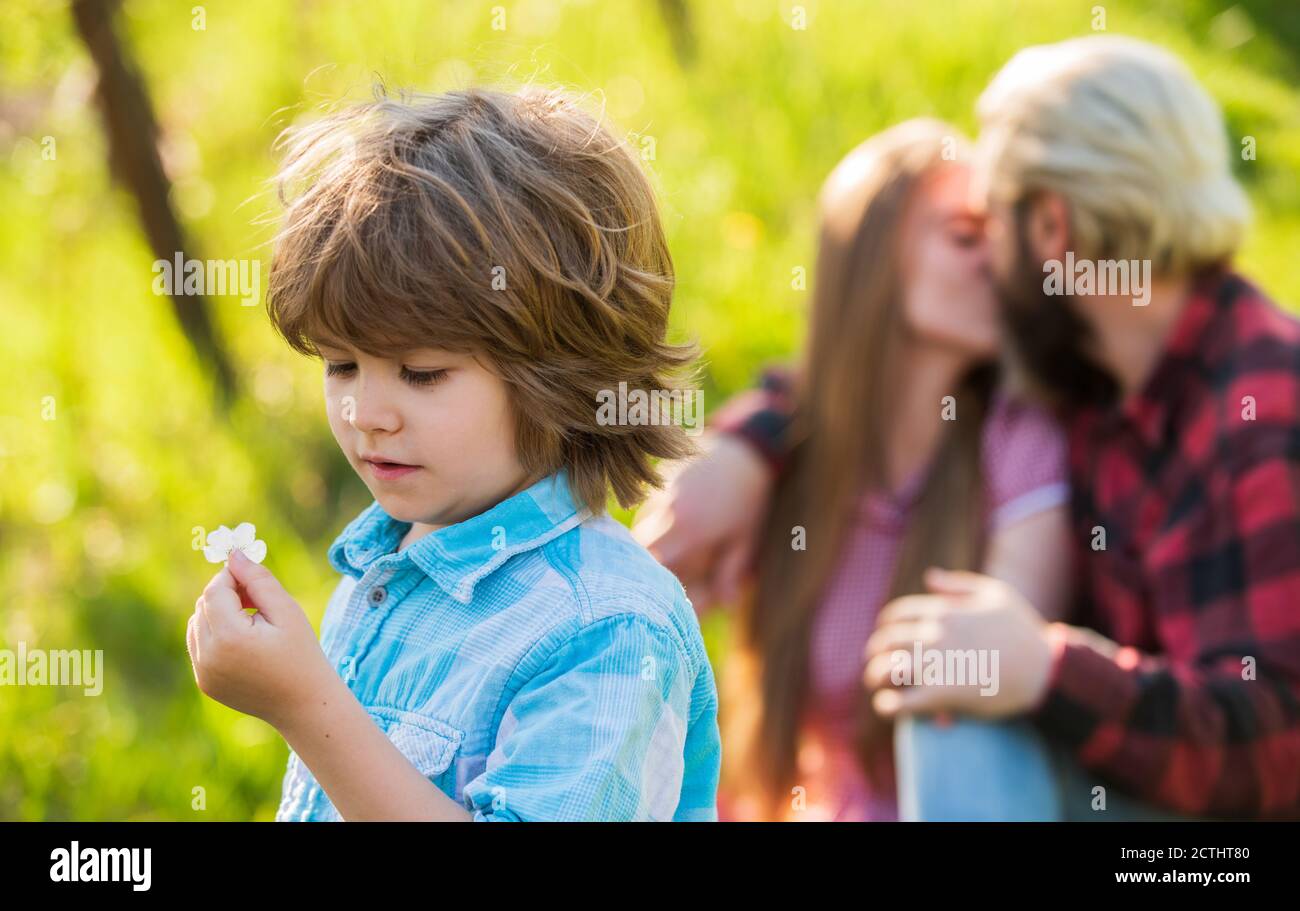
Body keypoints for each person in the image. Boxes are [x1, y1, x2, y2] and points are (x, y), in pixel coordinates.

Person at [637, 36, 1300, 819]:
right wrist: (750, 445)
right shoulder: (1095, 371)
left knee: (958, 709)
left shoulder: (1261, 412)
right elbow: (845, 383)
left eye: (994, 221)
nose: (988, 253)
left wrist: (1051, 669)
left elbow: (1279, 746)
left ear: (1051, 228)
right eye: (965, 233)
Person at [185, 86, 722, 821]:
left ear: (558, 370)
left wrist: (307, 707)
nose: (364, 414)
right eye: (340, 365)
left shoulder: (607, 625)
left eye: (421, 373)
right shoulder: (389, 569)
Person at [641, 118, 1073, 821]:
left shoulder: (1019, 440)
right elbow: (634, 663)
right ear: (873, 258)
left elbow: (1004, 652)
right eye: (965, 236)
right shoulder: (785, 452)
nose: (999, 260)